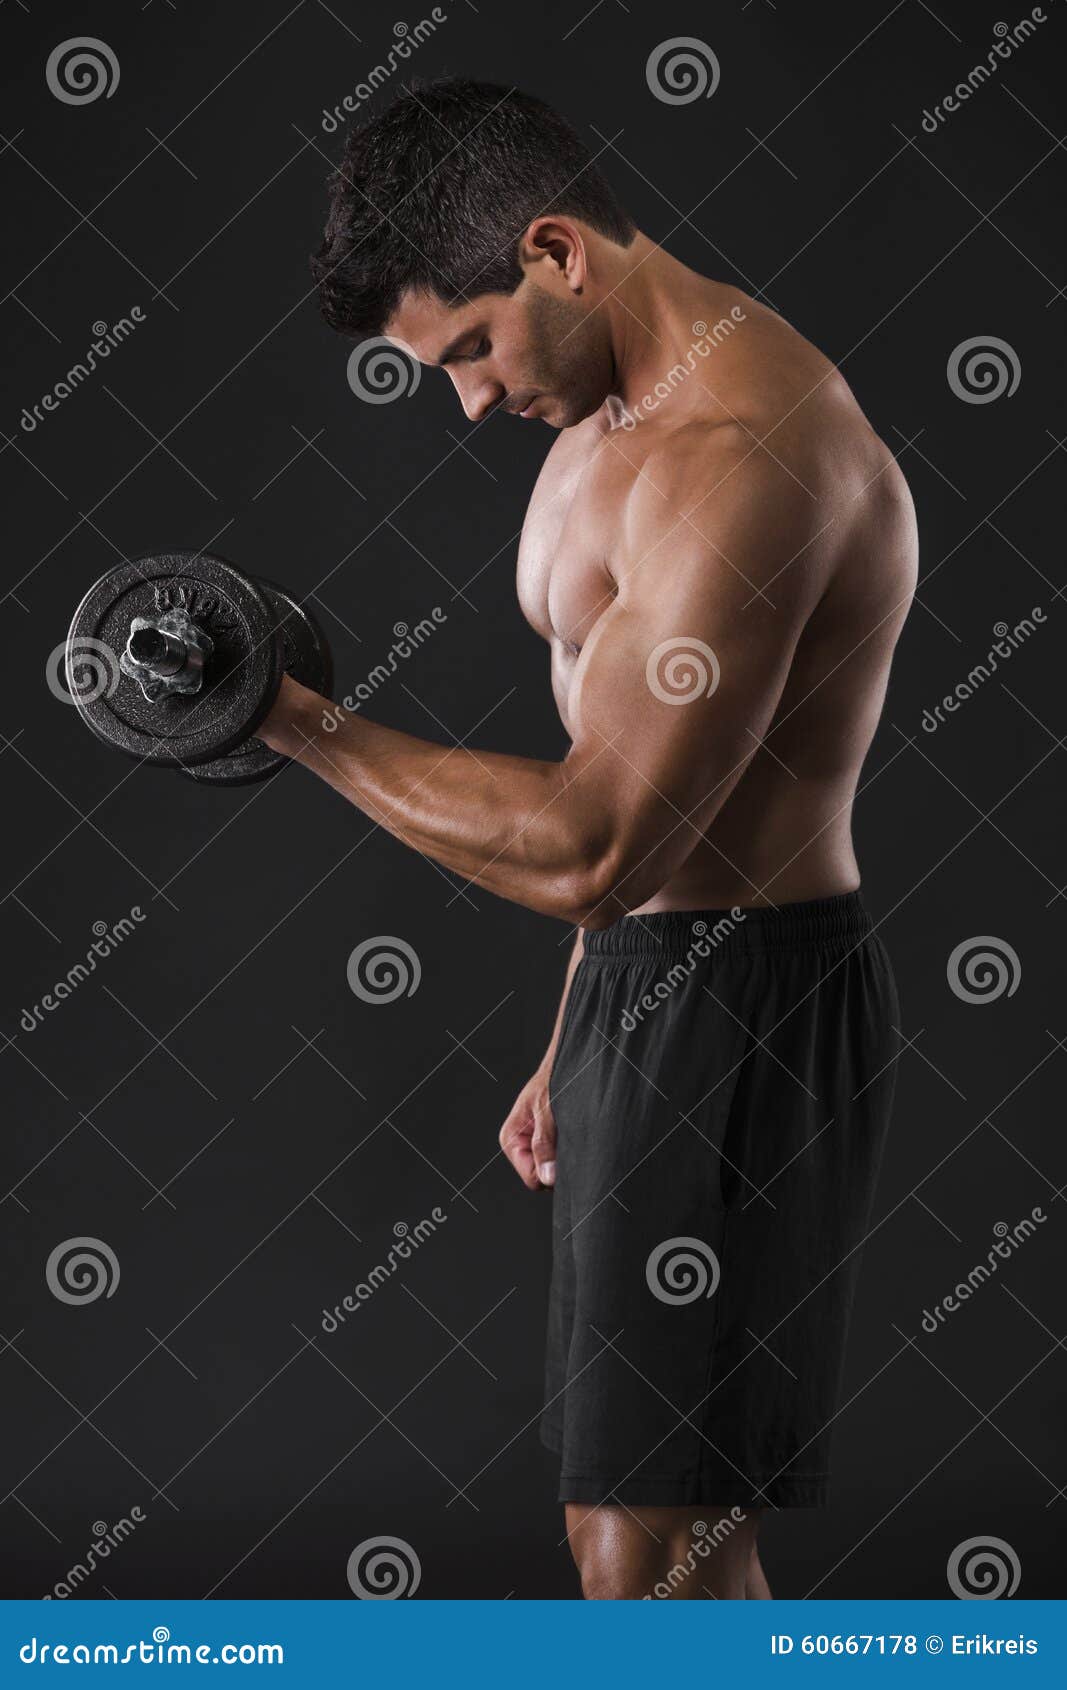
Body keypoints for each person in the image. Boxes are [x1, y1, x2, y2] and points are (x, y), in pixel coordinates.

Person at [259, 78, 918, 1600]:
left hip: (746, 1000)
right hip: (644, 974)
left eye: (472, 347)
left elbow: (598, 837)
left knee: (646, 1545)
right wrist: (581, 1017)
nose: (471, 401)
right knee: (651, 1532)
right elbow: (623, 783)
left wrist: (289, 724)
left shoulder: (746, 452)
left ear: (556, 251)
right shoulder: (604, 415)